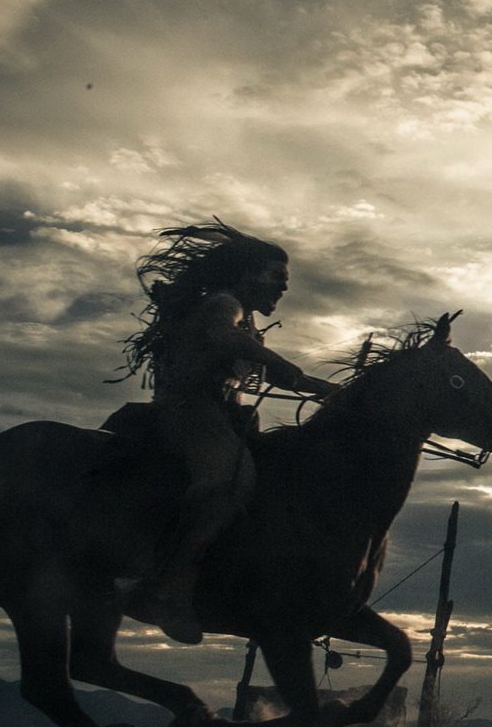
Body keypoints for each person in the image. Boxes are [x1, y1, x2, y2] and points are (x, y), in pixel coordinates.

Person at [112, 220, 336, 644]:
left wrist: (320, 388)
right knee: (228, 481)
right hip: (191, 411)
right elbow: (222, 336)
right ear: (246, 273)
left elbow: (262, 361)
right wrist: (288, 369)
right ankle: (163, 585)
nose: (283, 288)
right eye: (277, 277)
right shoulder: (223, 303)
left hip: (225, 415)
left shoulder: (243, 317)